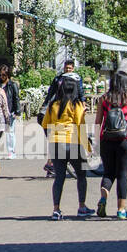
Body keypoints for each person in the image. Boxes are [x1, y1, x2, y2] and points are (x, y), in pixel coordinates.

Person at [41, 73, 93, 219]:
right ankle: (82, 206)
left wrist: (52, 139)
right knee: (81, 175)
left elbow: (45, 125)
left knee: (59, 178)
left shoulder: (53, 105)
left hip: (56, 144)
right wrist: (88, 148)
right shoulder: (76, 105)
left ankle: (56, 209)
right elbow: (80, 125)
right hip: (73, 142)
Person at [95, 72, 127, 219]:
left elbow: (98, 121)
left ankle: (104, 198)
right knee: (123, 174)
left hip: (107, 139)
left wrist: (96, 141)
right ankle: (121, 209)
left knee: (108, 172)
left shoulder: (104, 99)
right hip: (126, 139)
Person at [0, 64, 20, 158]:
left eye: (4, 75)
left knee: (10, 132)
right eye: (0, 75)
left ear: (8, 75)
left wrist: (17, 112)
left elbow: (16, 98)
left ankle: (11, 152)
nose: (1, 77)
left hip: (9, 111)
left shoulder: (12, 85)